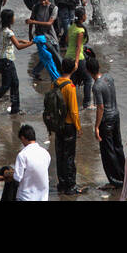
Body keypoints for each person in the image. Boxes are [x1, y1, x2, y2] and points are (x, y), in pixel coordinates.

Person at [0, 8, 31, 115]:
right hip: (7, 60)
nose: (14, 18)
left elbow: (8, 42)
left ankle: (15, 108)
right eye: (13, 17)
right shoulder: (9, 32)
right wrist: (33, 42)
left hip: (1, 60)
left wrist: (21, 40)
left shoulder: (1, 30)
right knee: (6, 86)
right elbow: (18, 47)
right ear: (9, 19)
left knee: (14, 83)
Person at [46, 57, 85, 195]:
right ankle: (71, 186)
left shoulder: (55, 83)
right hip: (69, 125)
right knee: (69, 156)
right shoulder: (70, 86)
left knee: (60, 154)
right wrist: (78, 127)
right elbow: (74, 111)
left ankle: (61, 183)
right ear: (73, 69)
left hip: (58, 126)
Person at [89, 55, 123, 189]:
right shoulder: (109, 77)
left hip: (106, 120)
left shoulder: (96, 86)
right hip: (116, 115)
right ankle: (123, 175)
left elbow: (100, 107)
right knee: (118, 146)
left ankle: (115, 181)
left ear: (88, 71)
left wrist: (96, 126)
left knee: (108, 151)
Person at [12, 124, 50, 201]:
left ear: (23, 138)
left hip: (26, 196)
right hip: (43, 196)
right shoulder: (45, 153)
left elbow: (17, 178)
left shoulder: (22, 155)